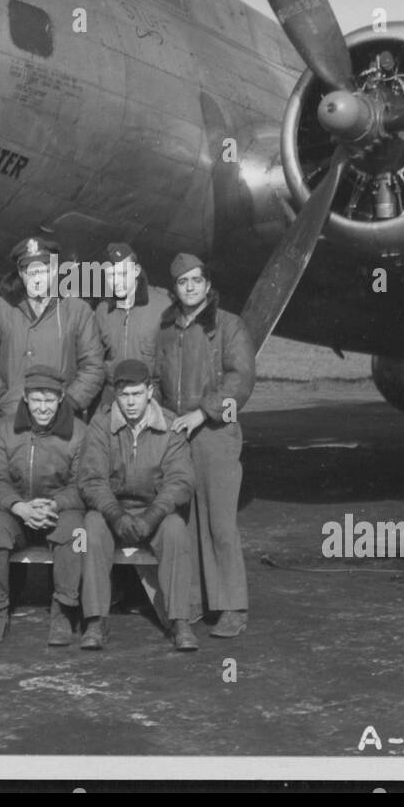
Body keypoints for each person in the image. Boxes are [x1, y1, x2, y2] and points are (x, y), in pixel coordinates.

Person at [155, 253, 256, 638]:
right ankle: (195, 600)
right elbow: (154, 380)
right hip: (177, 437)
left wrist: (203, 413)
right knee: (186, 521)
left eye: (197, 280)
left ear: (208, 285)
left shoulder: (229, 326)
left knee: (220, 523)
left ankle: (232, 605)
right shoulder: (167, 330)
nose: (191, 287)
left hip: (216, 435)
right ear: (174, 289)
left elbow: (241, 381)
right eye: (183, 282)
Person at [78, 359, 197, 651]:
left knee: (175, 529)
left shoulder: (170, 426)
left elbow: (180, 481)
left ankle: (180, 619)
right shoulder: (101, 426)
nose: (130, 402)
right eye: (124, 394)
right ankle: (96, 619)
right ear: (115, 395)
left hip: (153, 511)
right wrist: (115, 516)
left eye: (136, 393)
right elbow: (92, 479)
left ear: (149, 392)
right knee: (91, 527)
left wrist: (153, 515)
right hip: (113, 510)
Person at [0, 365, 87, 645]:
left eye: (50, 400)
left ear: (61, 399)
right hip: (16, 508)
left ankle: (64, 610)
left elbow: (84, 484)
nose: (43, 408)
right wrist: (18, 506)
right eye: (36, 400)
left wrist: (53, 504)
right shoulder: (3, 428)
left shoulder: (79, 432)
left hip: (58, 510)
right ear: (25, 398)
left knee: (74, 534)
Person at [0, 235, 105, 421]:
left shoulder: (78, 310)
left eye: (43, 270)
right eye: (30, 272)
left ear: (54, 270)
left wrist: (70, 402)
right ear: (21, 273)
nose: (37, 278)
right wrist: (1, 396)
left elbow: (93, 366)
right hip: (12, 417)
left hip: (62, 419)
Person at [93, 242, 172, 407]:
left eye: (122, 274)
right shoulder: (102, 310)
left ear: (136, 271)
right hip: (112, 398)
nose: (116, 281)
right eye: (111, 275)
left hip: (150, 398)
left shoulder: (163, 306)